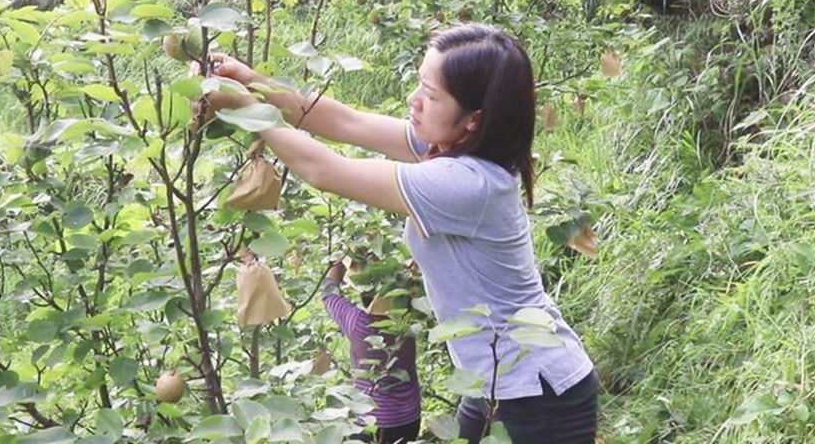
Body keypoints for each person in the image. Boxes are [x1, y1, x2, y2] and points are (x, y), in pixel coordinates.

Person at [207, 24, 599, 443]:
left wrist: (250, 109)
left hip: (538, 394)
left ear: (474, 119)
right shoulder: (454, 144)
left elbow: (325, 170)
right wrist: (253, 82)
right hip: (495, 382)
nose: (415, 101)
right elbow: (345, 122)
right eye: (420, 85)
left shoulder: (468, 183)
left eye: (430, 96)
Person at [321, 260, 421, 443]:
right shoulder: (410, 319)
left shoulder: (358, 323)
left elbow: (329, 292)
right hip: (408, 417)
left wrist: (339, 260)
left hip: (368, 420)